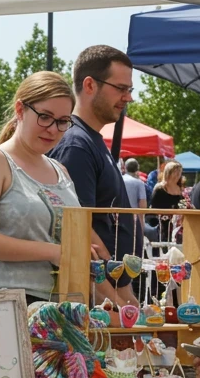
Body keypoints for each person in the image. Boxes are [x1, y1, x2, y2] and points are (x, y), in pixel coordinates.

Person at [0, 72, 80, 303]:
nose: (53, 129)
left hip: (57, 307)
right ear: (20, 110)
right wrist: (54, 252)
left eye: (63, 121)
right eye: (45, 117)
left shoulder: (61, 171)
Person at [49, 45, 139, 306]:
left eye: (129, 90)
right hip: (94, 306)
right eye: (121, 88)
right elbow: (78, 229)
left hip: (106, 300)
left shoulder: (89, 140)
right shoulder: (76, 144)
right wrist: (120, 302)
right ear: (89, 85)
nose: (128, 98)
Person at [149, 161, 186, 243]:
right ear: (168, 173)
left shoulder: (179, 188)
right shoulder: (160, 188)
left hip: (175, 224)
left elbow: (183, 205)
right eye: (175, 172)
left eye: (179, 172)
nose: (177, 175)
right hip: (161, 224)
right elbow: (154, 206)